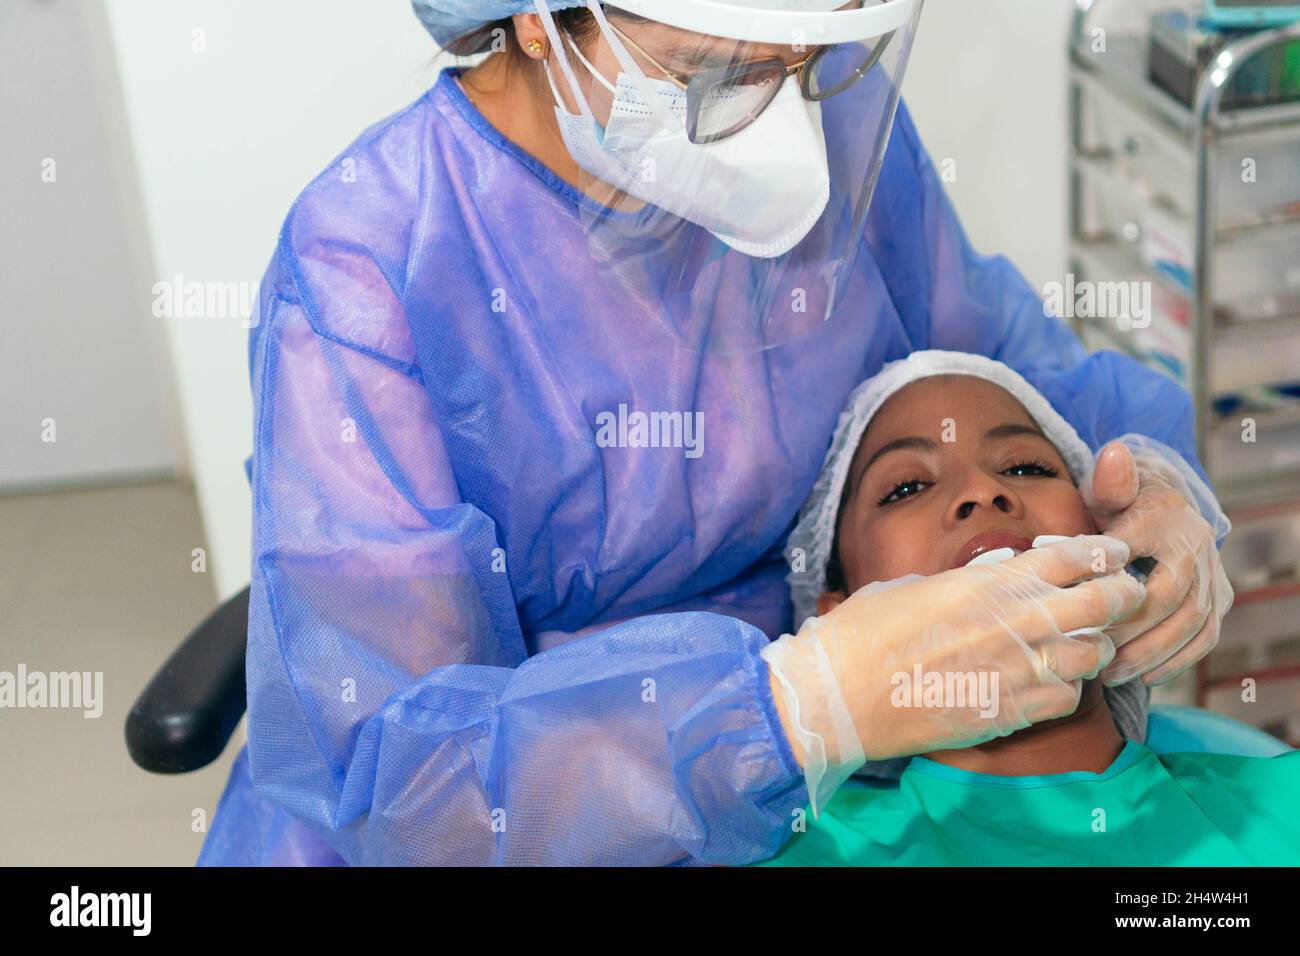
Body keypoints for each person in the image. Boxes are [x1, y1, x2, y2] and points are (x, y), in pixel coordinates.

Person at [198, 2, 1234, 866]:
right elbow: (404, 779)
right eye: (715, 71)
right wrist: (793, 705)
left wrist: (1145, 489)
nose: (779, 116)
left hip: (839, 773)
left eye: (801, 60)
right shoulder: (370, 264)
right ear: (532, 22)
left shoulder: (836, 114)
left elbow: (998, 366)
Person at [756, 351, 1296, 866]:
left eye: (1025, 468)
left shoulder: (1280, 804)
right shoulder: (813, 851)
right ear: (837, 618)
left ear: (1109, 539)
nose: (982, 491)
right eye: (907, 487)